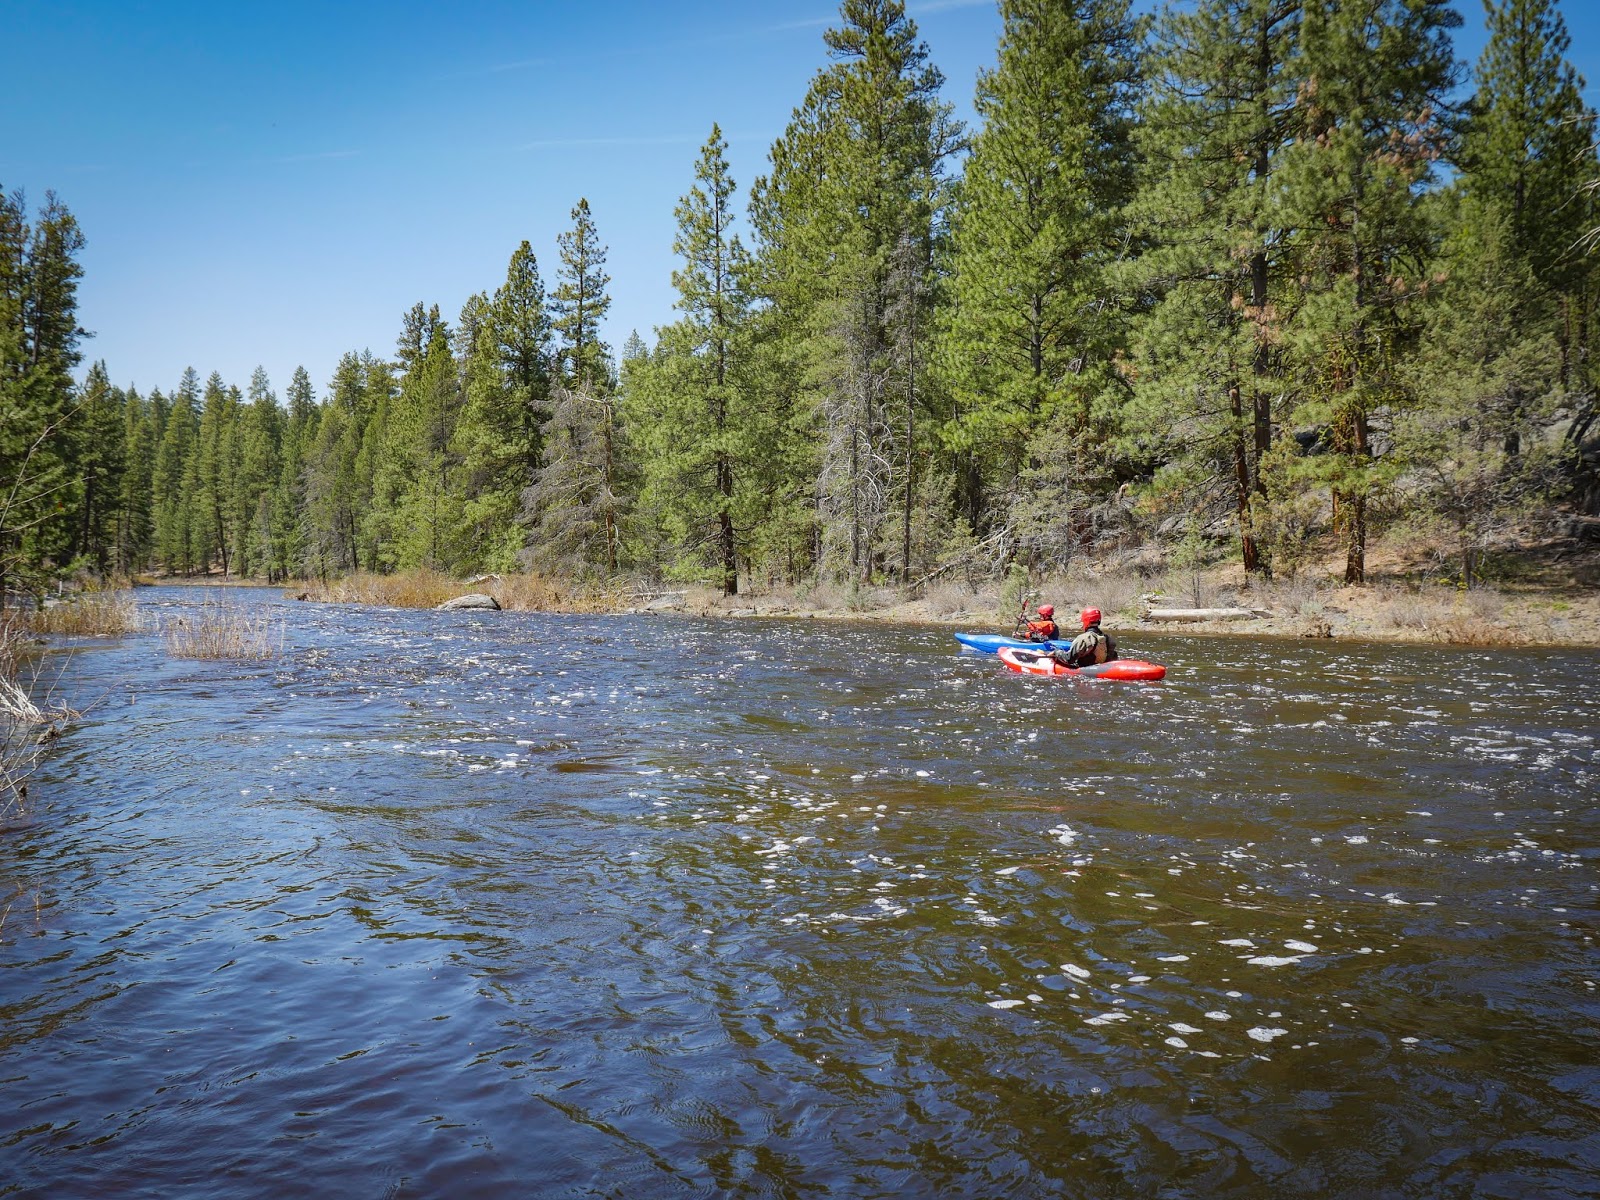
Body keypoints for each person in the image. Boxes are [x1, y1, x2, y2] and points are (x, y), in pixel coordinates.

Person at [1054, 607, 1118, 668]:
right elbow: (1114, 657)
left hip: (1086, 670)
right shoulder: (1108, 638)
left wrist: (1057, 652)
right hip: (1103, 669)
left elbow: (1069, 659)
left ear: (1086, 621)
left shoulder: (1084, 638)